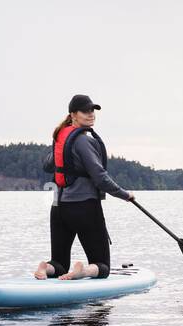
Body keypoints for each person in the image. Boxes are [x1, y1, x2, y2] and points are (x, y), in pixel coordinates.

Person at [34, 94, 136, 280]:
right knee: (102, 266)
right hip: (84, 207)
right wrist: (125, 195)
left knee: (59, 263)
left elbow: (48, 164)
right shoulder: (83, 141)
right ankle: (83, 271)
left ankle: (45, 268)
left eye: (92, 111)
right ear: (73, 114)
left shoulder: (60, 138)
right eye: (85, 111)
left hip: (58, 208)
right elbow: (100, 178)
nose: (91, 115)